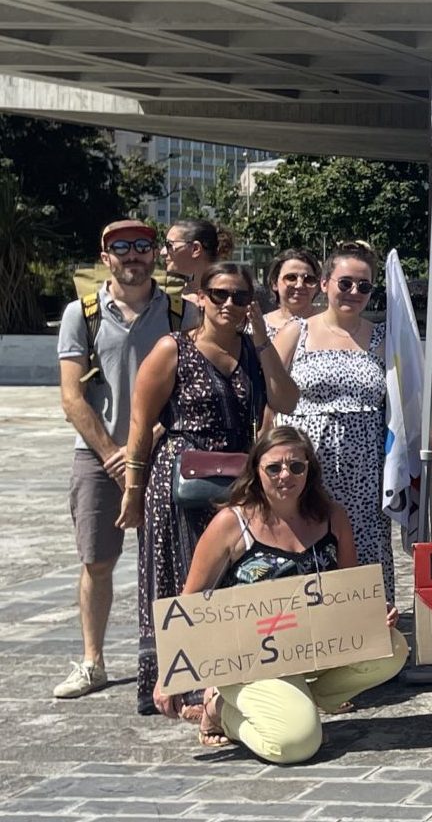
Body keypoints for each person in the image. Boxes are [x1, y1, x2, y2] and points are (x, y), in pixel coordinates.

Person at [118, 263, 298, 715]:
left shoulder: (255, 351)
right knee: (176, 576)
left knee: (229, 580)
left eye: (240, 297)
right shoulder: (172, 349)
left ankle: (219, 681)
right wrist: (133, 489)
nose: (229, 305)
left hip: (236, 481)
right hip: (176, 480)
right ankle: (173, 685)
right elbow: (140, 426)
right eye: (219, 295)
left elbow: (286, 400)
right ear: (200, 296)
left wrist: (260, 336)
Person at [173, 426, 407, 761]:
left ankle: (303, 700)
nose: (286, 475)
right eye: (274, 467)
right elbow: (189, 601)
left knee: (393, 646)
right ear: (256, 470)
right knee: (296, 744)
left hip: (310, 648)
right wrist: (170, 673)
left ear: (309, 470)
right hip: (248, 659)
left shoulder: (332, 517)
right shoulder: (231, 522)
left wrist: (374, 612)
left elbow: (349, 588)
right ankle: (222, 711)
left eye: (297, 466)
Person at [53, 220, 194, 699]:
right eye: (121, 248)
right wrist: (113, 454)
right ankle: (92, 660)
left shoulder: (182, 313)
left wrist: (143, 445)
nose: (132, 255)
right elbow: (72, 398)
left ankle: (181, 657)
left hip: (163, 449)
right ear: (105, 255)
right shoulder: (83, 313)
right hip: (98, 456)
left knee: (176, 557)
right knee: (97, 559)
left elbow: (187, 388)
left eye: (141, 247)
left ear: (155, 254)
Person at [274, 243, 393, 606]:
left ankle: (365, 635)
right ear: (325, 283)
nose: (354, 293)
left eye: (364, 286)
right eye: (345, 283)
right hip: (306, 466)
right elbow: (270, 400)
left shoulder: (382, 338)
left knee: (360, 545)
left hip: (364, 471)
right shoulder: (297, 332)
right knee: (305, 542)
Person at [162, 218, 231, 307]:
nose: (162, 252)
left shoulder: (232, 298)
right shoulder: (165, 297)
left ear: (195, 249)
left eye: (169, 245)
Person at [262, 248, 323, 338]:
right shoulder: (258, 326)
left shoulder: (332, 325)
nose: (299, 285)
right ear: (274, 283)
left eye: (308, 279)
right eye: (291, 278)